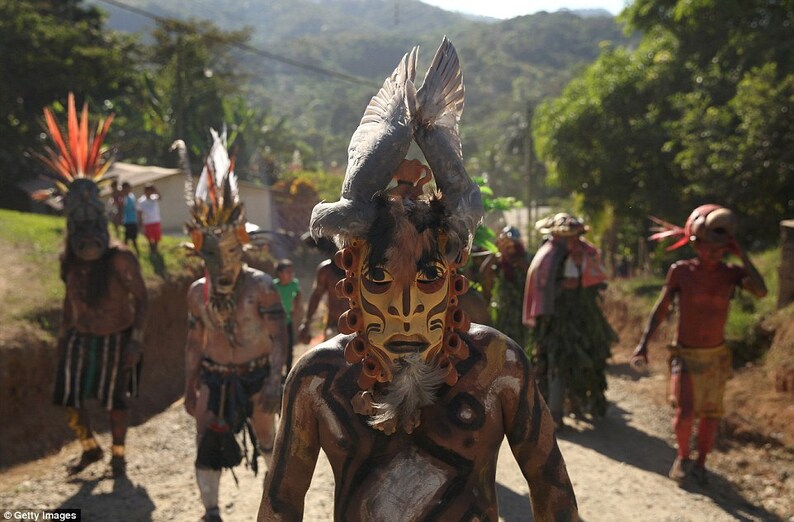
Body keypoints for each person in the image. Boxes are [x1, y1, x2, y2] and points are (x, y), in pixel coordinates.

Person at [258, 39, 577, 521]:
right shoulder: (318, 381)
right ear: (353, 282)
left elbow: (551, 487)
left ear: (453, 282)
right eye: (381, 279)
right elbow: (281, 505)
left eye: (427, 278)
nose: (405, 312)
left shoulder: (497, 367)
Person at [175, 130, 289, 522]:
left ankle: (272, 506)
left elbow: (279, 335)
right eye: (212, 255)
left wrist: (275, 380)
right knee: (206, 442)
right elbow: (194, 341)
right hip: (215, 376)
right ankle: (211, 512)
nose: (221, 265)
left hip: (256, 376)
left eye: (228, 253)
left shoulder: (261, 286)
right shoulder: (196, 293)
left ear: (242, 246)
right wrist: (190, 384)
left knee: (268, 438)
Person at [35, 93, 148, 478]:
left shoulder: (120, 258)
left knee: (117, 401)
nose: (86, 238)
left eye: (91, 226)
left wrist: (135, 340)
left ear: (101, 222)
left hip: (118, 338)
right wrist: (66, 333)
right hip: (81, 338)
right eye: (78, 228)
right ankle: (90, 449)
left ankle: (117, 455)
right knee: (69, 397)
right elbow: (70, 297)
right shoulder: (68, 260)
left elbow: (143, 298)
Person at [631, 205, 767, 485]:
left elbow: (762, 291)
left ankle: (702, 463)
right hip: (686, 353)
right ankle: (683, 456)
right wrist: (643, 344)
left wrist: (742, 255)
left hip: (716, 357)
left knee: (711, 415)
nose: (715, 252)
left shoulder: (731, 274)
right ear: (695, 243)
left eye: (721, 247)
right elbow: (661, 309)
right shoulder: (681, 272)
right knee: (685, 413)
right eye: (709, 245)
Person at [523, 213, 617, 430]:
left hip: (581, 318)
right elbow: (546, 287)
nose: (573, 241)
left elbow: (595, 282)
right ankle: (554, 412)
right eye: (569, 237)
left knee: (584, 359)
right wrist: (563, 287)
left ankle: (577, 403)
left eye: (575, 237)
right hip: (557, 320)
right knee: (556, 363)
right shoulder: (550, 256)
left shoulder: (584, 253)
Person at [479, 226, 531, 347]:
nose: (510, 248)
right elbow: (484, 273)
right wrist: (497, 251)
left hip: (521, 308)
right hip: (503, 310)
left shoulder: (524, 258)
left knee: (522, 343)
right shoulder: (499, 261)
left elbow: (530, 272)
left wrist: (516, 259)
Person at [297, 235, 348, 345]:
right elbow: (316, 296)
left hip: (358, 326)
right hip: (334, 326)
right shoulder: (325, 271)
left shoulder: (357, 270)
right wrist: (306, 323)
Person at [274, 259, 303, 376]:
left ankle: (288, 372)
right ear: (280, 274)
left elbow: (298, 294)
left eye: (292, 272)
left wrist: (296, 307)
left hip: (288, 322)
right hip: (276, 324)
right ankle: (276, 371)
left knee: (289, 347)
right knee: (277, 347)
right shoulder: (273, 285)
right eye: (288, 272)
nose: (291, 275)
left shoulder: (294, 284)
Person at [137, 183, 162, 254]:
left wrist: (155, 189)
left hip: (156, 221)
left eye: (150, 190)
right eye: (147, 191)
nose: (149, 192)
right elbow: (139, 212)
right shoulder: (141, 201)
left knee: (157, 237)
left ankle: (155, 249)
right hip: (147, 222)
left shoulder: (154, 197)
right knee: (149, 238)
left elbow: (160, 197)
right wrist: (140, 222)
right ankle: (152, 250)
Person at [121, 181, 140, 257]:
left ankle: (137, 253)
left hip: (133, 220)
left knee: (134, 238)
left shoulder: (132, 196)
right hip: (127, 221)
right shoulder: (123, 198)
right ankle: (124, 252)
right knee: (127, 238)